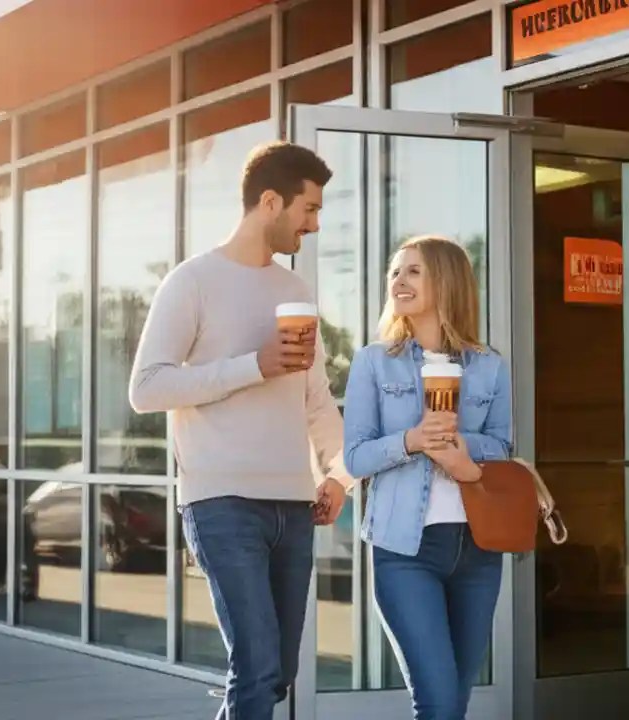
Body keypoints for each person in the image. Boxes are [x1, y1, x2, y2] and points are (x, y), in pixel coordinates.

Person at [128, 141, 352, 720]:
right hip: (221, 501)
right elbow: (147, 388)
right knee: (256, 668)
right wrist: (254, 365)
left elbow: (316, 399)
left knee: (277, 674)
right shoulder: (192, 281)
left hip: (293, 505)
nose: (315, 224)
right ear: (270, 201)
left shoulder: (295, 292)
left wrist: (338, 475)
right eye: (308, 209)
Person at [342, 236, 513, 720]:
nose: (398, 280)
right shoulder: (373, 362)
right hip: (404, 552)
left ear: (448, 280)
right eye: (395, 272)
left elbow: (503, 447)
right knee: (437, 703)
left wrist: (465, 460)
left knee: (453, 705)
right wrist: (412, 441)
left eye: (414, 271)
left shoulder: (489, 365)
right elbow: (354, 458)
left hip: (479, 551)